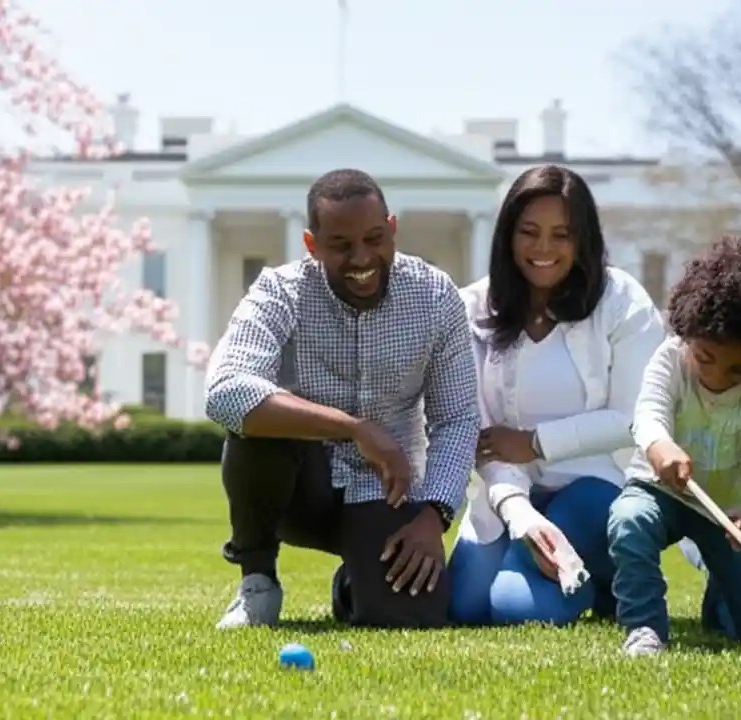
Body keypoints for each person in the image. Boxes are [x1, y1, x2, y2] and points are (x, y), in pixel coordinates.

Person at [203, 168, 481, 631]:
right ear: (312, 246)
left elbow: (457, 418)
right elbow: (225, 392)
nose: (362, 258)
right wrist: (352, 427)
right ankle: (258, 584)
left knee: (410, 615)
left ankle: (354, 581)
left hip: (386, 490)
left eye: (375, 239)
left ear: (392, 229)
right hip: (296, 489)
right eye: (341, 245)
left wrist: (435, 515)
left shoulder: (436, 296)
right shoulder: (280, 291)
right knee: (259, 419)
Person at [447, 164, 667, 626]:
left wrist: (535, 442)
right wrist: (523, 516)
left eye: (561, 235)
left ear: (583, 239)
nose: (543, 249)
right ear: (507, 235)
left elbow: (634, 418)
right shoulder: (471, 308)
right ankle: (548, 554)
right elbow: (482, 435)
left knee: (514, 610)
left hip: (594, 488)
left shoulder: (622, 302)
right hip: (506, 493)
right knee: (462, 609)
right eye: (529, 232)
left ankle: (614, 574)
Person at [607, 236, 741, 657]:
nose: (718, 377)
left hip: (731, 513)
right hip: (657, 490)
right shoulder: (668, 358)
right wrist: (660, 446)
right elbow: (647, 416)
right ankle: (645, 629)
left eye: (740, 368)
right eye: (705, 359)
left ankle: (721, 592)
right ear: (687, 335)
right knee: (628, 520)